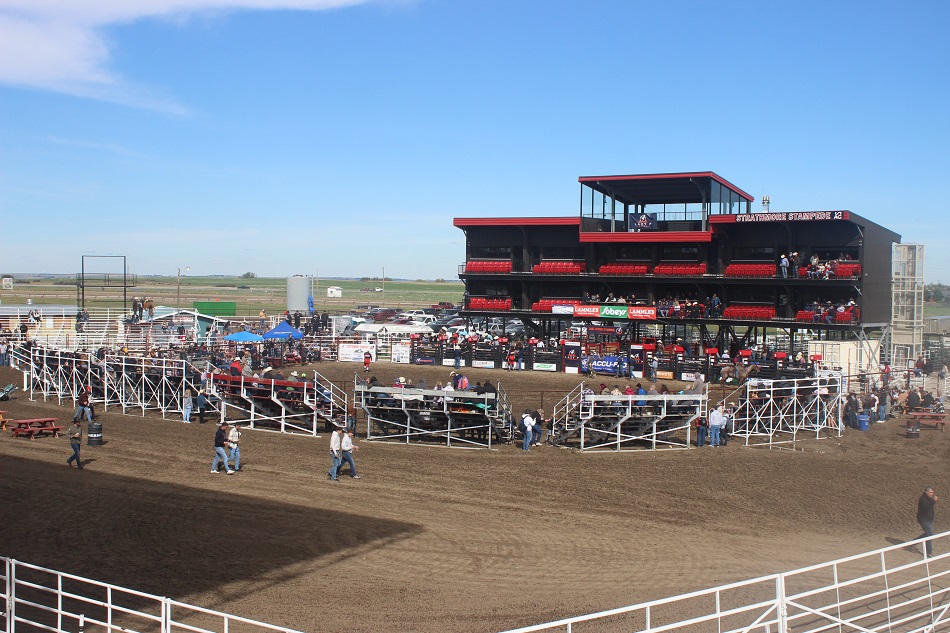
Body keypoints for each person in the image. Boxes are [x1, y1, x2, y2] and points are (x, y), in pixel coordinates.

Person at [916, 486, 938, 557]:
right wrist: (933, 501)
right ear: (926, 492)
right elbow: (926, 508)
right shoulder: (922, 499)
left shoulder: (929, 499)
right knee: (929, 535)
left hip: (929, 519)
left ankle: (912, 543)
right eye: (931, 492)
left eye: (932, 492)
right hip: (924, 519)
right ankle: (929, 552)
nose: (932, 494)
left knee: (927, 534)